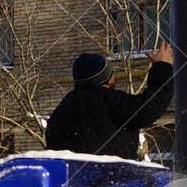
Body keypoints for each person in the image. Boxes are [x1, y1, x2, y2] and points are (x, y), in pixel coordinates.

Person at [45, 43, 176, 159]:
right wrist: (162, 67)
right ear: (107, 79)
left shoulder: (62, 109)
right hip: (109, 180)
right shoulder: (107, 100)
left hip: (71, 182)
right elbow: (149, 107)